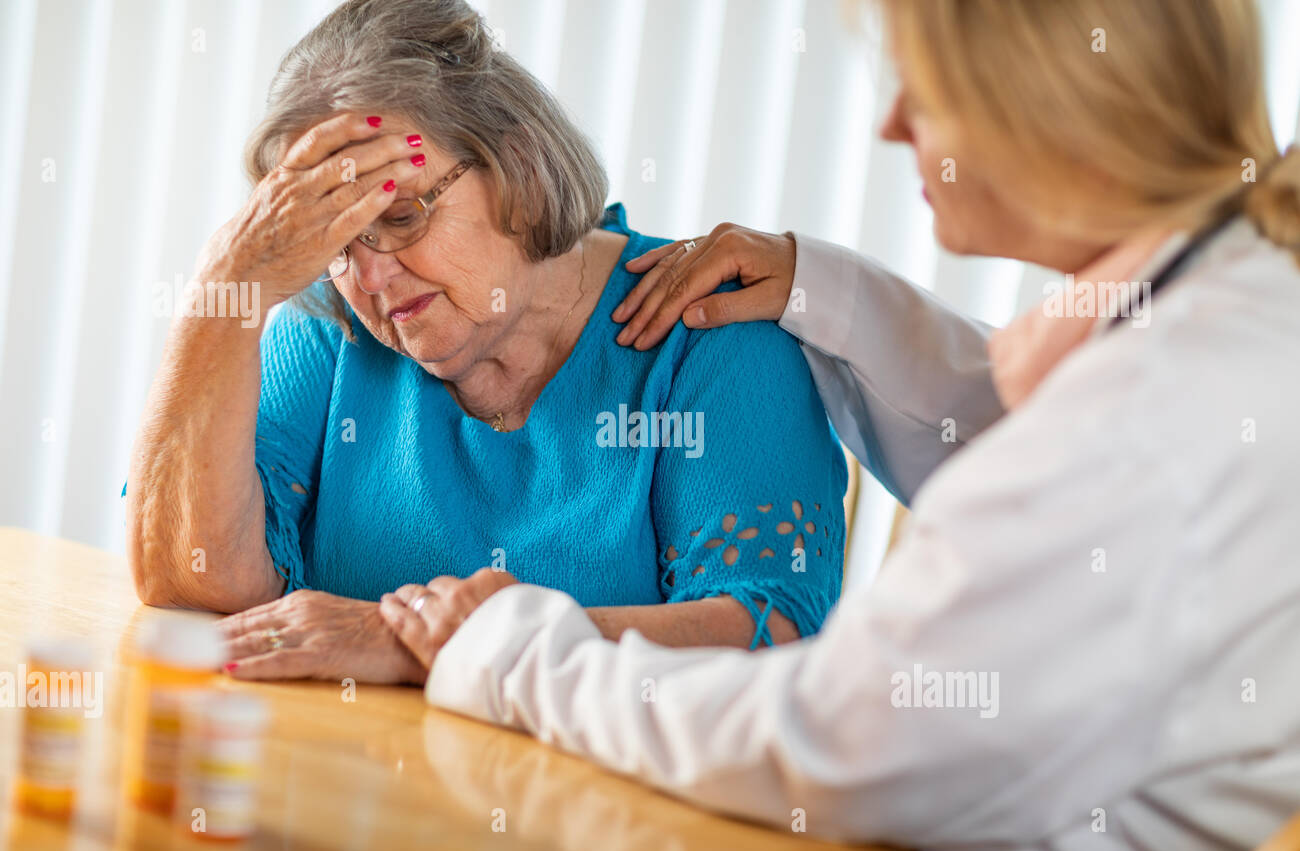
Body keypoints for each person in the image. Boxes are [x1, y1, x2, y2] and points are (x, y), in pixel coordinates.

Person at [375, 0, 1300, 851]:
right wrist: (822, 287)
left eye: (926, 90)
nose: (891, 124)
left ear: (1058, 105)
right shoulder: (1237, 309)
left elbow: (842, 744)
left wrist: (514, 654)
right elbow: (1016, 439)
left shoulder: (1154, 408)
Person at [124, 0, 848, 683]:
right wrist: (224, 289)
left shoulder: (708, 330)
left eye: (402, 214)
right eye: (334, 241)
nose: (369, 276)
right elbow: (190, 578)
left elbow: (771, 641)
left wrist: (434, 646)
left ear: (515, 164)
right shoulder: (328, 329)